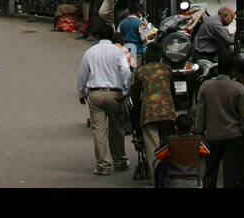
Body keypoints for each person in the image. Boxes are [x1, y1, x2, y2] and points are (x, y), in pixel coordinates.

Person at [194, 52, 244, 189]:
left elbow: (200, 114)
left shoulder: (205, 86)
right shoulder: (238, 88)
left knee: (210, 172)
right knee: (230, 173)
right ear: (232, 70)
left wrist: (199, 133)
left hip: (212, 136)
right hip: (233, 136)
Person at [77, 19, 131, 176]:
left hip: (95, 94)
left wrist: (81, 93)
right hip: (115, 94)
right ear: (113, 36)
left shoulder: (90, 52)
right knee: (117, 128)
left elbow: (82, 75)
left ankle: (103, 165)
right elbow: (126, 72)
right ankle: (120, 161)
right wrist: (125, 91)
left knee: (99, 130)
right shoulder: (118, 52)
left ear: (98, 35)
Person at [130, 43, 177, 171]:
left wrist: (136, 105)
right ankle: (170, 174)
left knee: (153, 147)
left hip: (149, 113)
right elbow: (172, 92)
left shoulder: (141, 71)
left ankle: (156, 177)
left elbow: (133, 93)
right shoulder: (167, 70)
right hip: (168, 112)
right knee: (167, 144)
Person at [153, 112, 210, 189]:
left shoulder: (171, 140)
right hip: (192, 180)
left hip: (175, 180)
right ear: (192, 128)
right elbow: (207, 151)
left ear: (176, 127)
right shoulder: (197, 140)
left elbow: (158, 154)